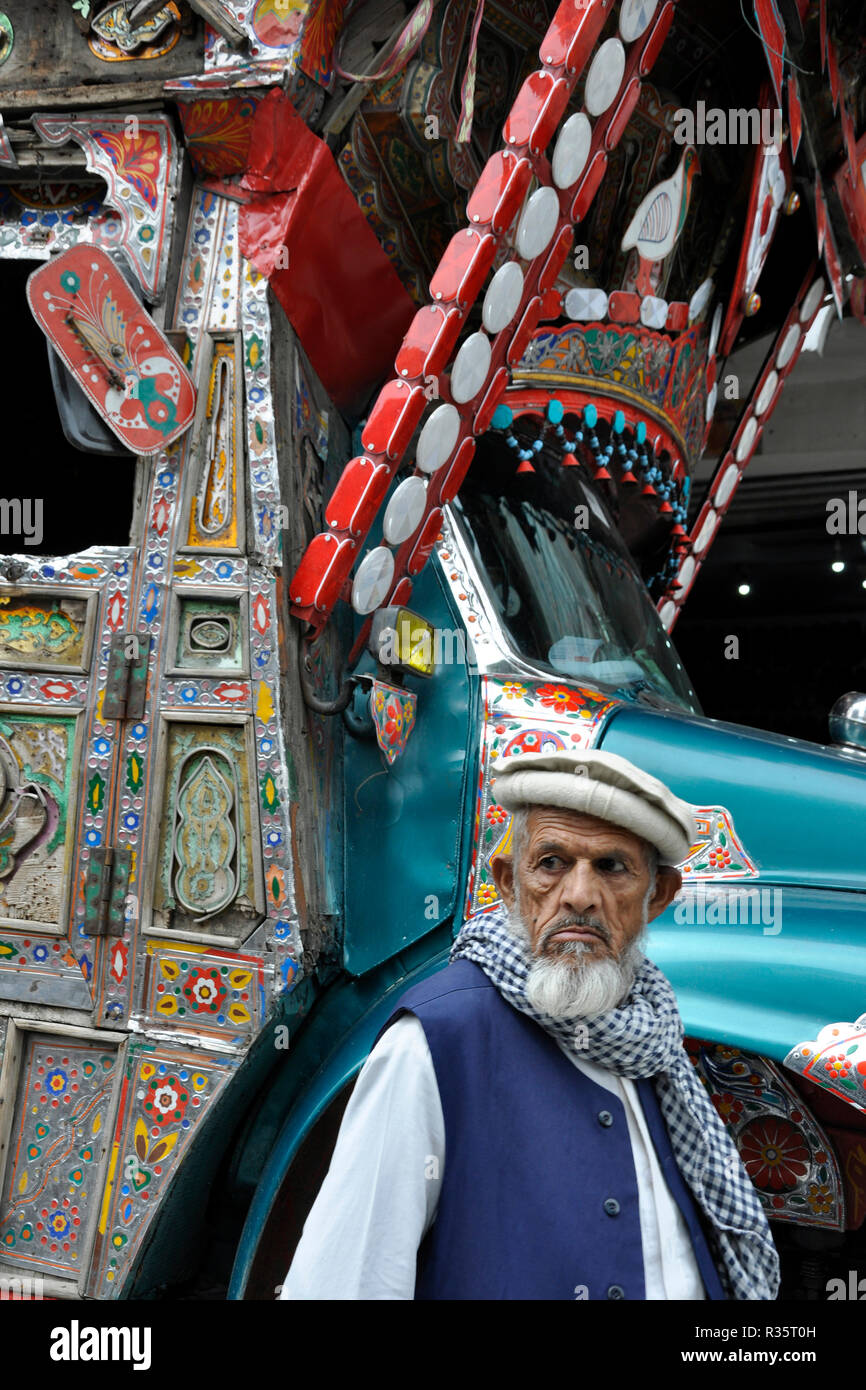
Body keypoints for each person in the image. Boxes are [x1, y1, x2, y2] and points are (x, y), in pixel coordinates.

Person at [279, 749, 780, 1301]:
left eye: (612, 867)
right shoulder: (438, 1041)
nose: (580, 896)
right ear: (509, 884)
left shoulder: (654, 1042)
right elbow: (343, 1286)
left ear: (656, 897)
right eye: (551, 863)